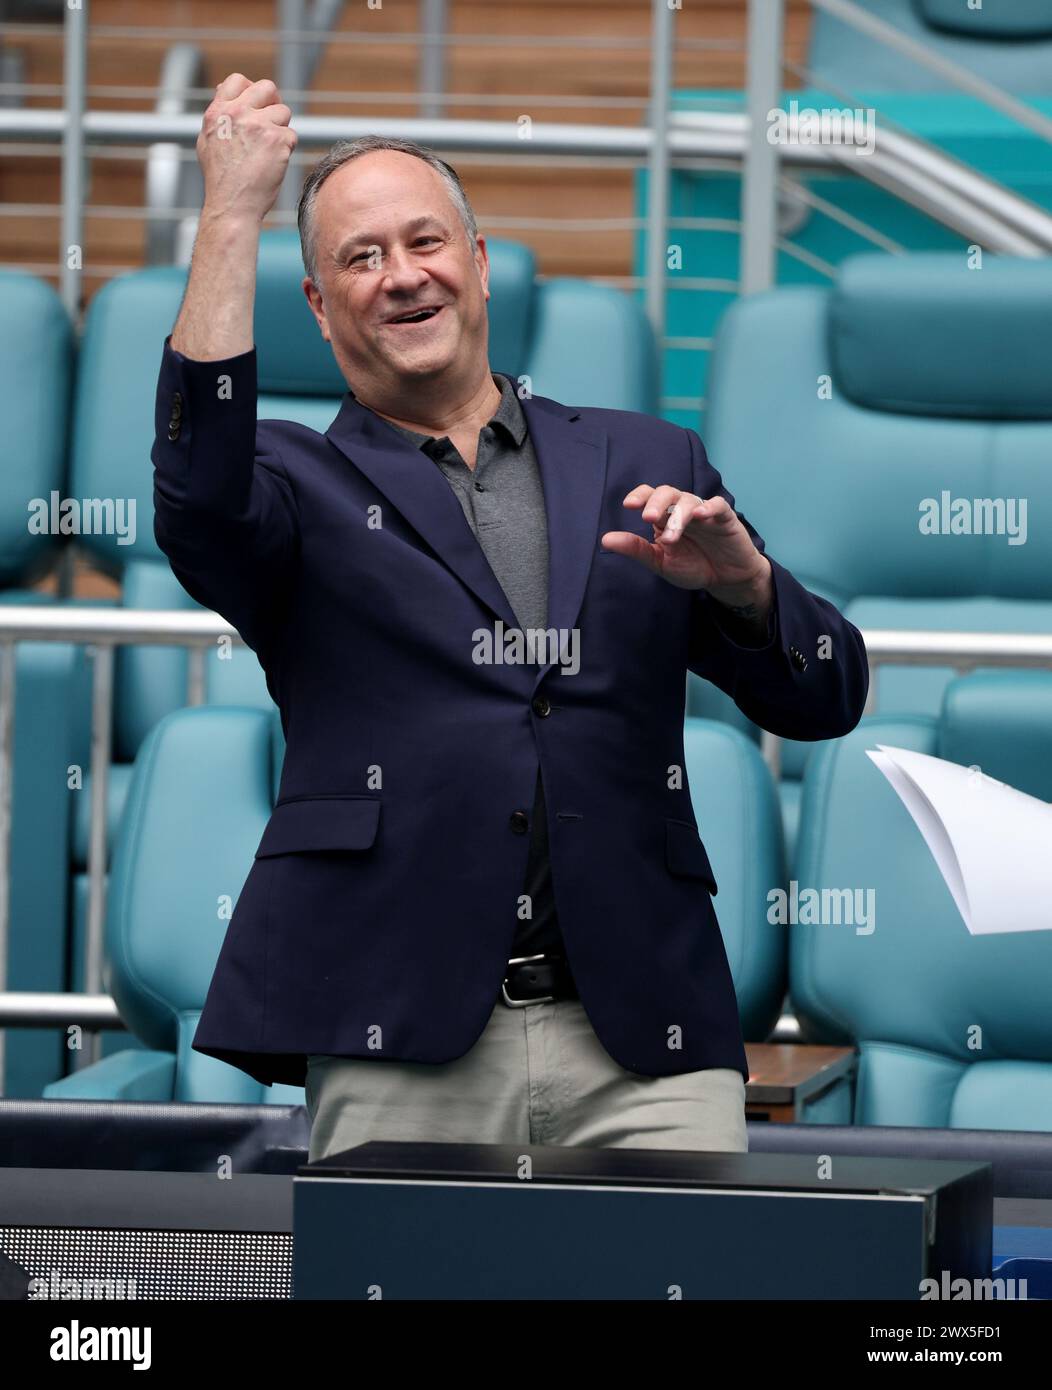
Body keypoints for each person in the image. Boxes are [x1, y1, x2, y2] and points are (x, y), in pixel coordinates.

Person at [153, 73, 870, 1163]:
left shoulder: (647, 459)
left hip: (648, 1044)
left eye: (425, 242)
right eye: (360, 257)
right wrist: (229, 213)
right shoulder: (289, 487)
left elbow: (826, 694)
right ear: (315, 301)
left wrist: (744, 584)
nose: (402, 276)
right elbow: (195, 494)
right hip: (397, 1030)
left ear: (478, 266)